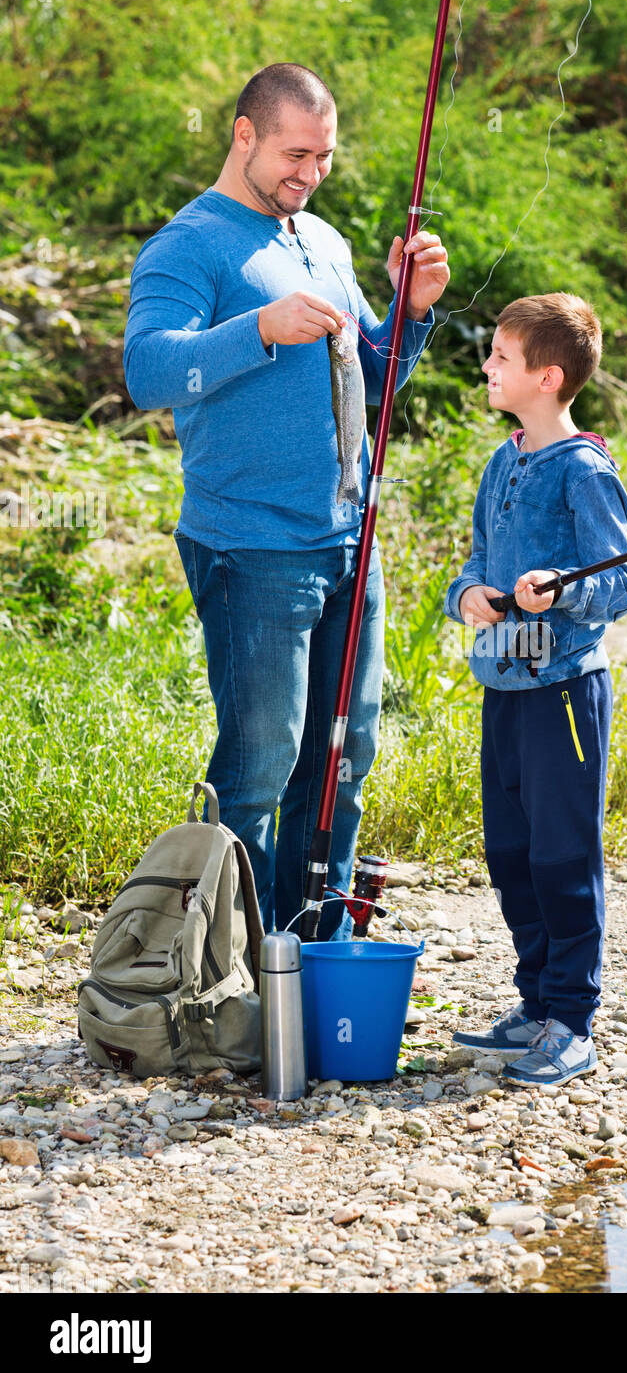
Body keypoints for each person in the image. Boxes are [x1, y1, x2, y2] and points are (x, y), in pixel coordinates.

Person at [123, 63, 449, 940]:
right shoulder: (188, 246)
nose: (308, 172)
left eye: (325, 157)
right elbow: (148, 370)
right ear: (243, 135)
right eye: (294, 153)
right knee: (261, 765)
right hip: (253, 548)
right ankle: (230, 963)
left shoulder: (327, 243)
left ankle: (315, 943)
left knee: (344, 756)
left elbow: (372, 382)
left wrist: (408, 315)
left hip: (349, 539)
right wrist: (259, 329)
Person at [443, 293, 627, 1087]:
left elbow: (621, 581)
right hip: (502, 687)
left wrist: (561, 590)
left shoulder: (585, 471)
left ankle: (571, 1020)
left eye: (499, 356)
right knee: (512, 853)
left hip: (564, 693)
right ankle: (531, 1004)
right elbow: (473, 562)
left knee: (564, 856)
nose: (486, 366)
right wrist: (467, 598)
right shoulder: (503, 460)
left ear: (546, 375)